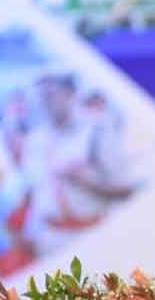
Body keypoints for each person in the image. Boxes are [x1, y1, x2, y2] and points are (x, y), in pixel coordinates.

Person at [22, 73, 145, 255]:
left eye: (51, 94)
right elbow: (37, 192)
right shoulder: (35, 141)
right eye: (42, 95)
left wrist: (86, 182)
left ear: (70, 93)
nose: (45, 101)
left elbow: (127, 188)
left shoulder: (96, 131)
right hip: (50, 241)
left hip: (90, 236)